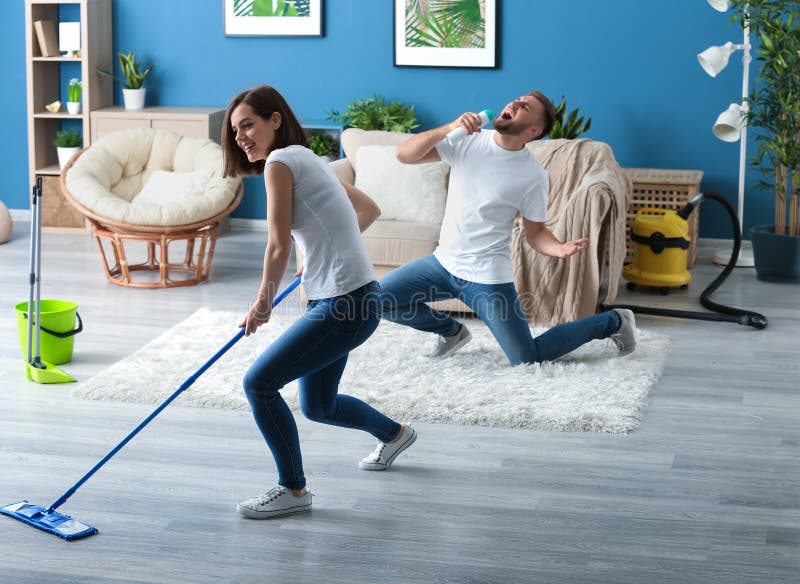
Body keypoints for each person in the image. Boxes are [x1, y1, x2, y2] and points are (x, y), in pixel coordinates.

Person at [222, 85, 416, 519]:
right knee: (318, 406)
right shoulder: (309, 157)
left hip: (343, 305)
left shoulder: (278, 163)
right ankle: (395, 434)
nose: (241, 138)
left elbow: (276, 246)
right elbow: (368, 209)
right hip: (355, 298)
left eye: (248, 124)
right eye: (235, 131)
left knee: (259, 385)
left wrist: (262, 303)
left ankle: (293, 490)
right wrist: (319, 257)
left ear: (275, 119)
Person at [380, 91, 636, 366]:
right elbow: (404, 155)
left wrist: (558, 248)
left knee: (526, 357)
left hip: (487, 276)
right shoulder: (468, 141)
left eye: (524, 106)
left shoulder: (533, 176)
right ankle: (451, 332)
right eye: (515, 100)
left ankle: (614, 321)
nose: (513, 103)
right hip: (442, 265)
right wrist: (449, 127)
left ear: (534, 130)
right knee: (376, 300)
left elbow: (536, 232)